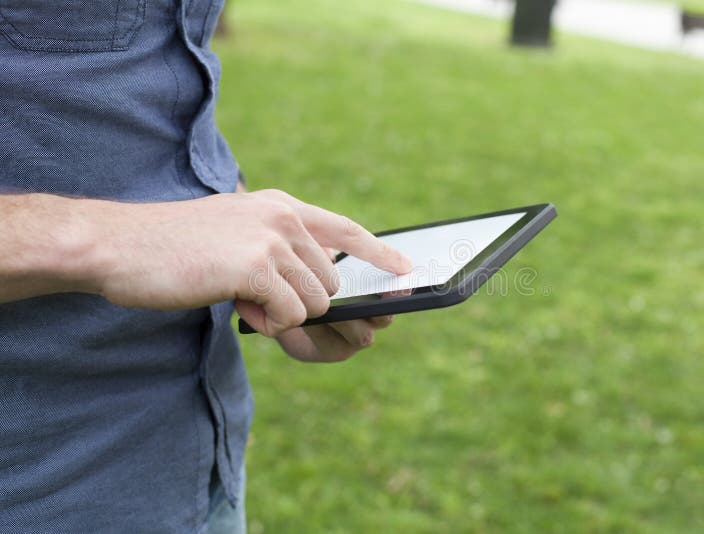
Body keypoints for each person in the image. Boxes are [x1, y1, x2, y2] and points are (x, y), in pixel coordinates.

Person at [0, 1, 411, 531]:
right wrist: (116, 239)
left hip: (204, 459)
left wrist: (263, 242)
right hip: (40, 490)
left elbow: (154, 93)